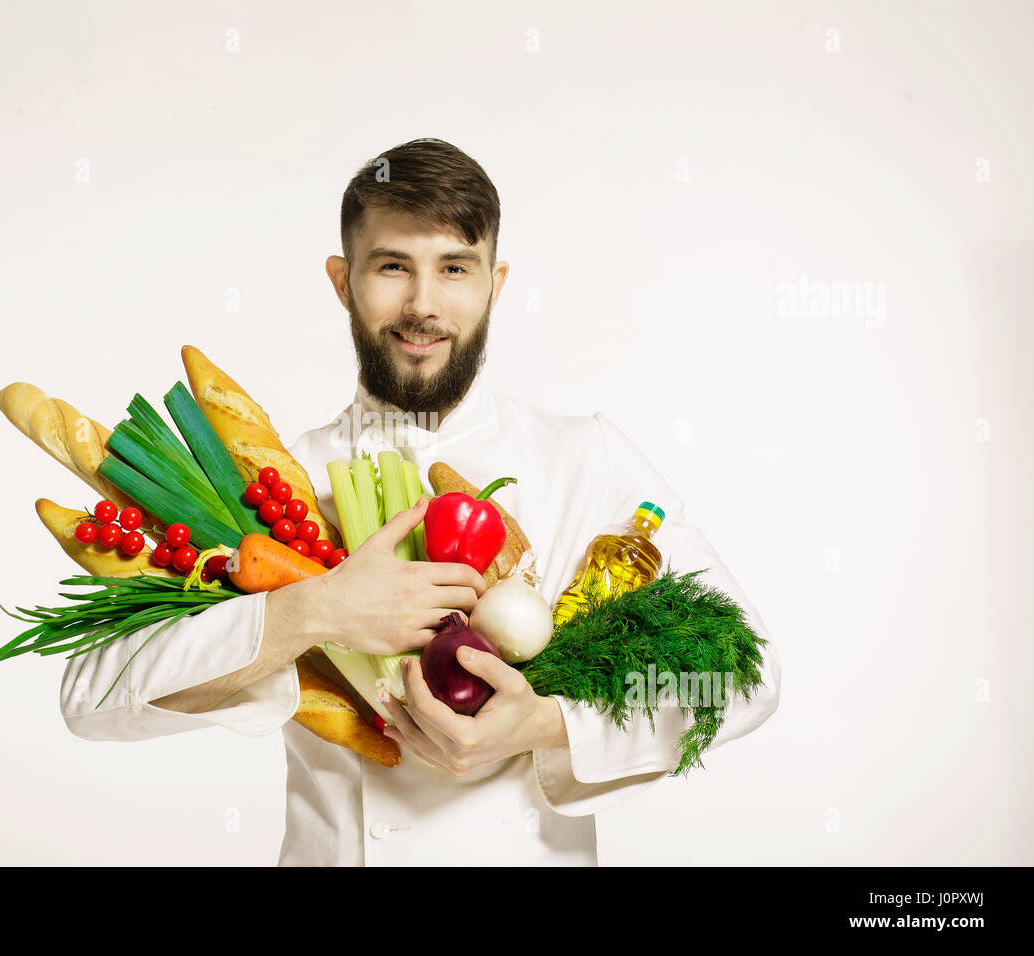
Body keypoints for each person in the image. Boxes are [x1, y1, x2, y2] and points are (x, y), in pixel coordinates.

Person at [60, 138, 782, 865]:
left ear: (496, 283)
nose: (423, 306)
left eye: (455, 269)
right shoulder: (282, 487)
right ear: (343, 282)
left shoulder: (584, 458)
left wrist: (545, 722)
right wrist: (317, 609)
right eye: (393, 266)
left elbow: (743, 677)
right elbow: (92, 699)